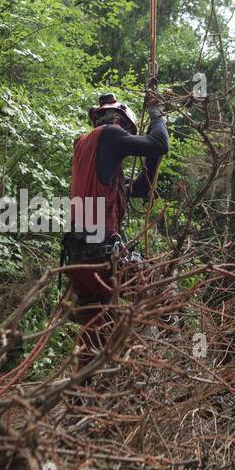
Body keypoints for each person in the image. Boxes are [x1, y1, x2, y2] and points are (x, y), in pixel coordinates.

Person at [63, 91, 168, 372]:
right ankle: (149, 367)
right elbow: (159, 142)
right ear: (120, 123)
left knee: (96, 329)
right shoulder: (108, 134)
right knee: (156, 287)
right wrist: (156, 113)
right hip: (101, 254)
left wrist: (151, 158)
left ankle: (83, 392)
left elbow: (144, 188)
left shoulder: (87, 152)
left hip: (79, 259)